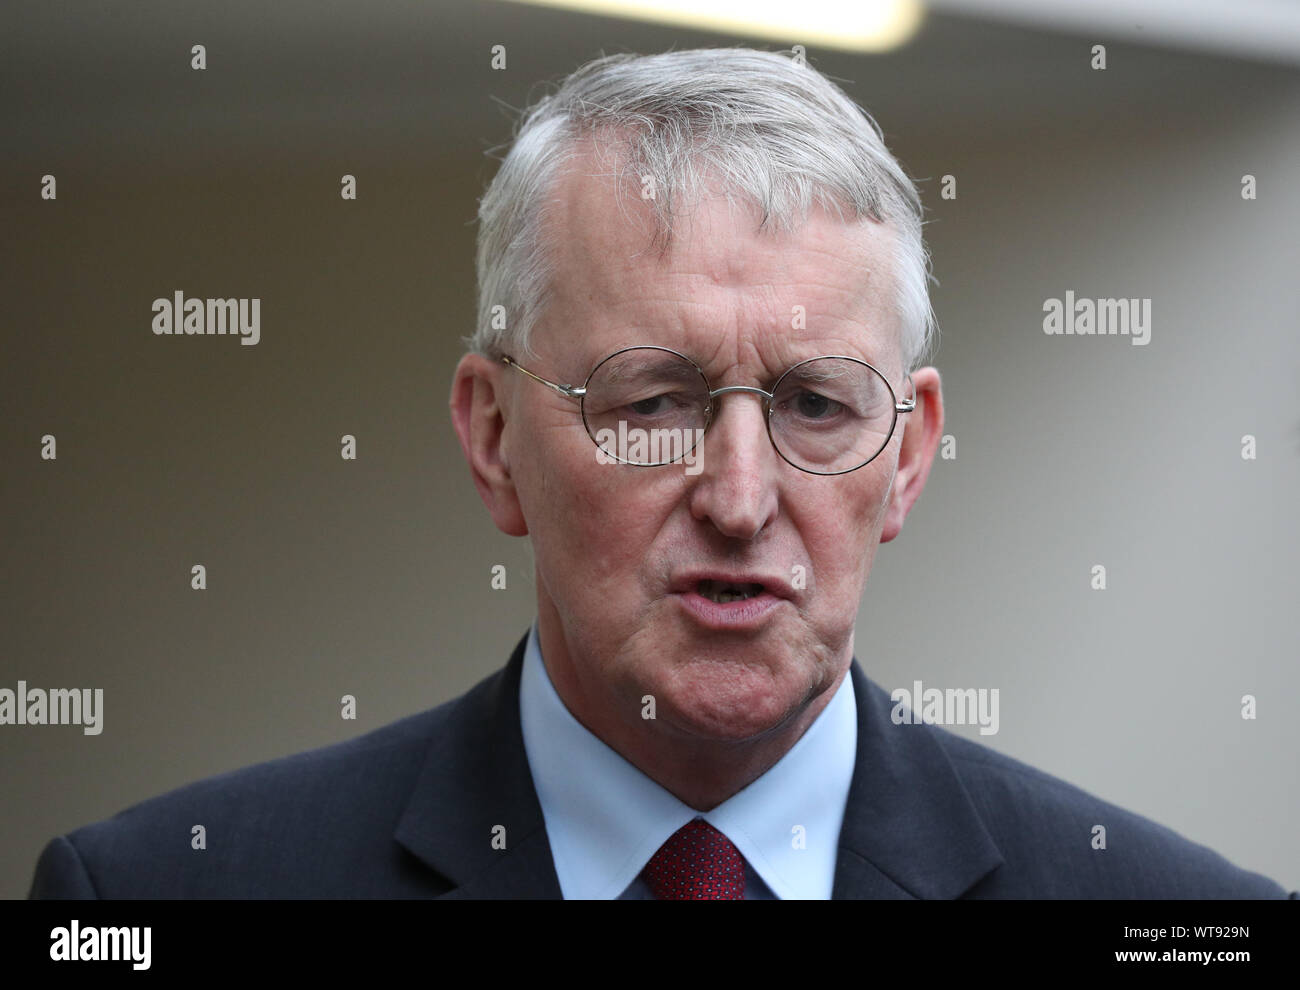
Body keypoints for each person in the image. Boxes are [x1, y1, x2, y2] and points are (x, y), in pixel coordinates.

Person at [30, 47, 1291, 900]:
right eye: (654, 401)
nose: (741, 501)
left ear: (904, 458)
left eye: (812, 404)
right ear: (491, 436)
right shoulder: (160, 894)